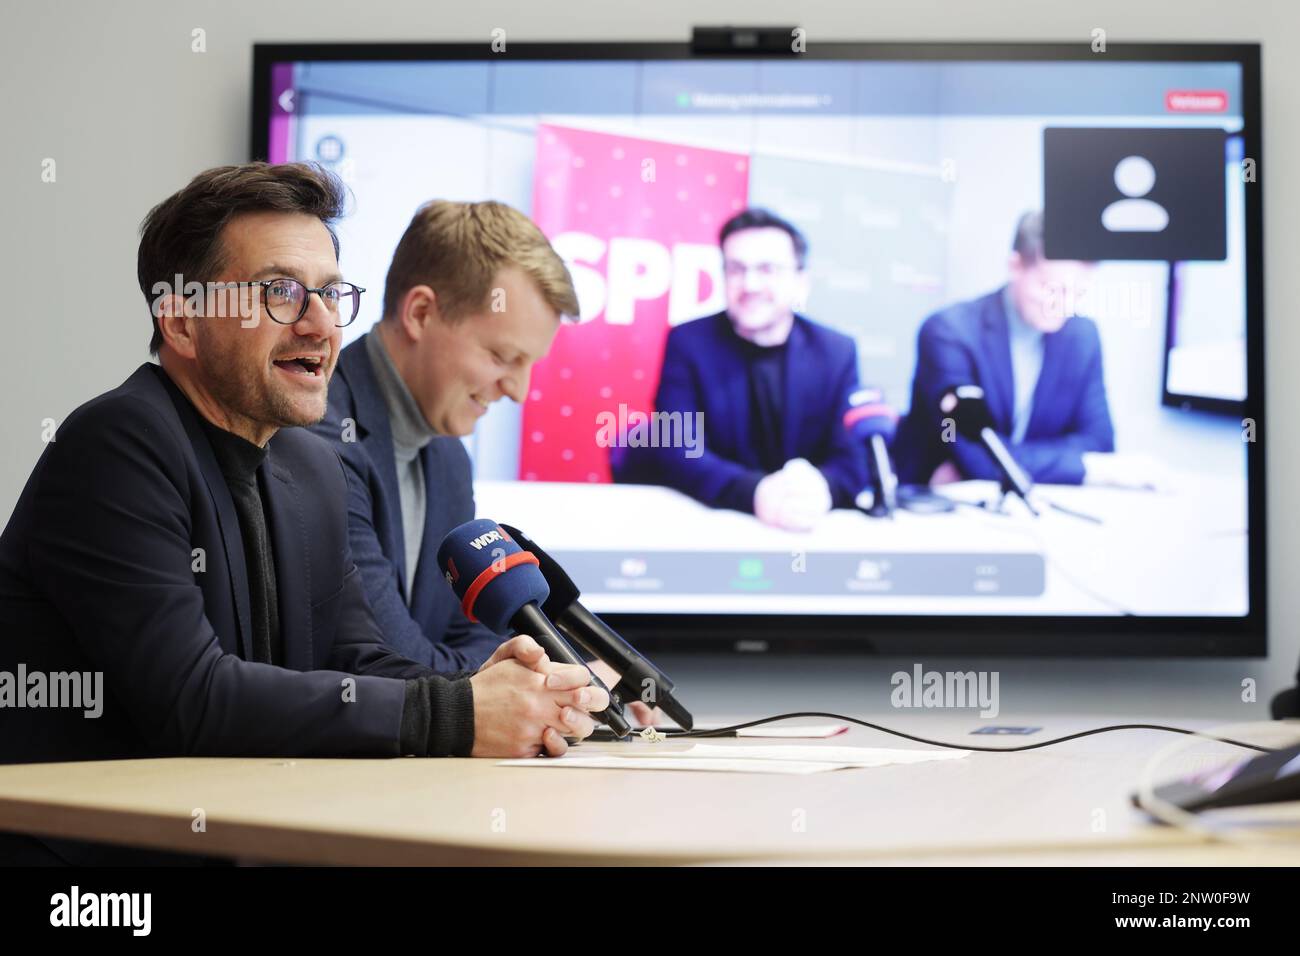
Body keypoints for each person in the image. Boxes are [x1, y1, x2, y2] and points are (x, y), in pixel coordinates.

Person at [0, 163, 609, 862]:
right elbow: (191, 700)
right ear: (182, 320)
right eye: (282, 293)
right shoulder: (118, 444)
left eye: (329, 293)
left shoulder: (306, 463)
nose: (322, 324)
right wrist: (457, 714)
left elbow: (359, 657)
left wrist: (505, 688)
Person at [312, 200, 660, 723]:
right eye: (501, 358)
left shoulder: (449, 457)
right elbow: (388, 664)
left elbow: (473, 634)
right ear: (421, 313)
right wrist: (559, 681)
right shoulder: (319, 435)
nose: (518, 391)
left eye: (528, 366)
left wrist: (539, 679)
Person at [615, 208, 867, 531]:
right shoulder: (688, 342)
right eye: (736, 269)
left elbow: (853, 461)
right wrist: (755, 493)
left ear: (800, 281)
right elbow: (676, 449)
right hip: (712, 522)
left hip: (802, 528)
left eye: (767, 269)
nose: (749, 284)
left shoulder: (836, 351)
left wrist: (821, 490)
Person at [893, 210, 1147, 488]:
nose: (1063, 305)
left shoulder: (1083, 337)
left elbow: (1099, 443)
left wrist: (1016, 462)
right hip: (931, 500)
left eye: (1077, 293)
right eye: (1052, 289)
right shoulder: (948, 332)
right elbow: (964, 447)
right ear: (1015, 266)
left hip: (1036, 499)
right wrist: (1083, 464)